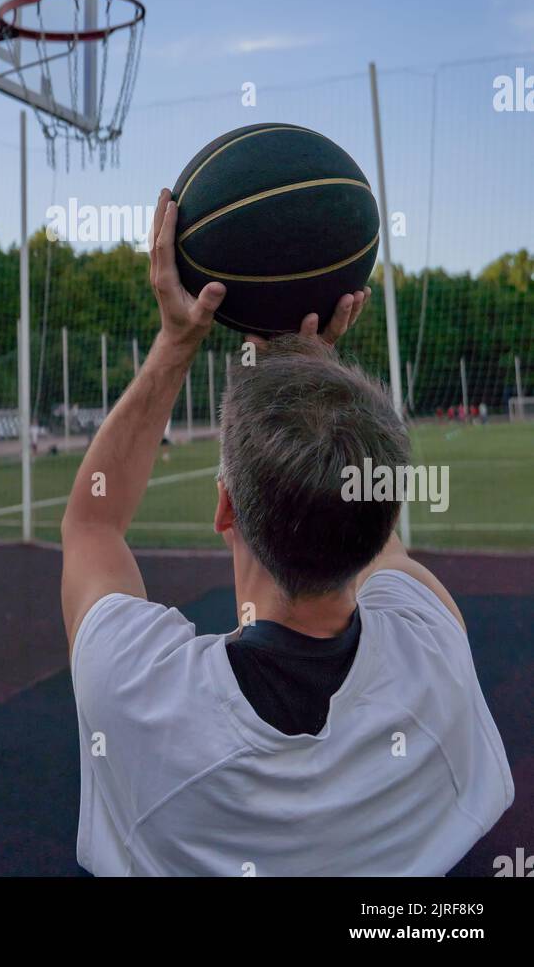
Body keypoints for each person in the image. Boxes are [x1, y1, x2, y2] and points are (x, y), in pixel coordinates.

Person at [60, 190, 513, 877]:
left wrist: (177, 341)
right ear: (382, 515)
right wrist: (310, 375)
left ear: (224, 510)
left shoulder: (135, 692)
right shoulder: (432, 652)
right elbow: (374, 528)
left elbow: (91, 521)